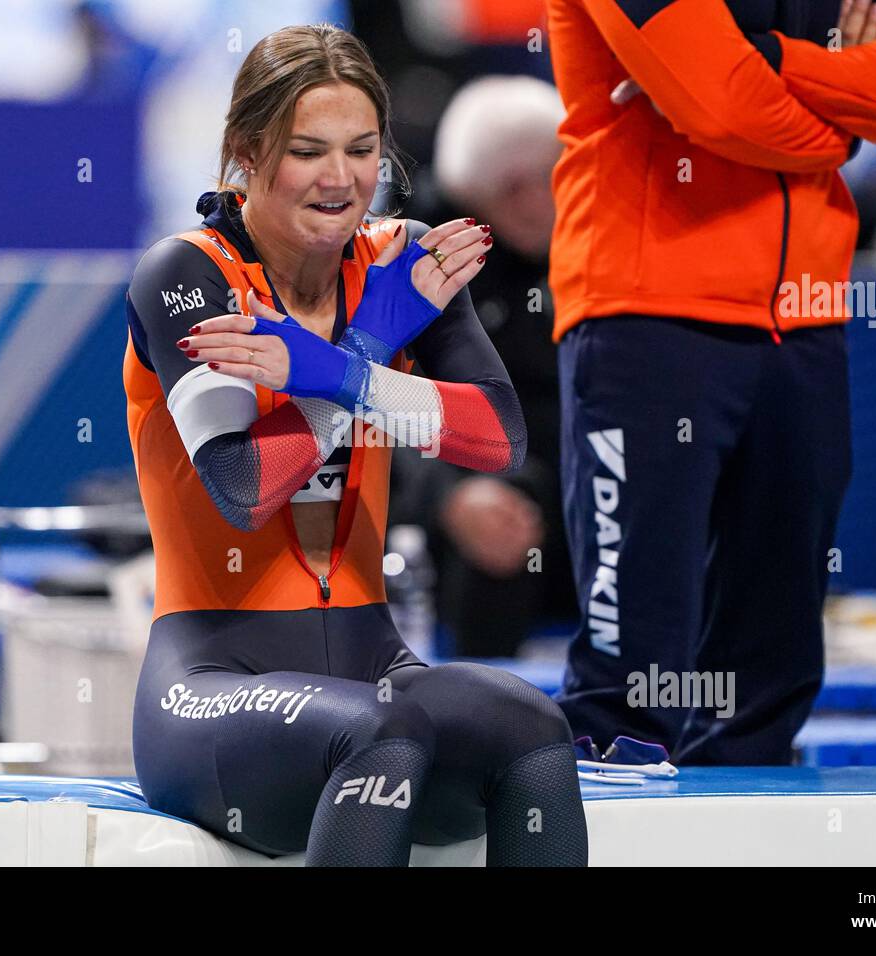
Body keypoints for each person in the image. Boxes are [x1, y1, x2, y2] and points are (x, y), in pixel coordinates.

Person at [123, 24, 587, 866]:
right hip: (210, 686)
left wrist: (340, 373)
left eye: (362, 149)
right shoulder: (188, 275)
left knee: (533, 730)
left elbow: (496, 438)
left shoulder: (402, 262)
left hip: (376, 664)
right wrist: (367, 352)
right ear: (245, 151)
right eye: (308, 150)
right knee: (382, 735)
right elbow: (241, 484)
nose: (341, 179)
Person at [547, 0, 876, 764]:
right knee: (632, 677)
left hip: (804, 316)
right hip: (647, 307)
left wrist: (770, 56)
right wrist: (845, 115)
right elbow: (723, 107)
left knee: (772, 674)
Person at [388, 75, 575, 658]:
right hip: (450, 544)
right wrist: (448, 497)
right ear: (519, 189)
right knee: (504, 498)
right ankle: (480, 708)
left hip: (581, 525)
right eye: (564, 179)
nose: (577, 198)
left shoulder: (569, 255)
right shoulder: (390, 272)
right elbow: (352, 409)